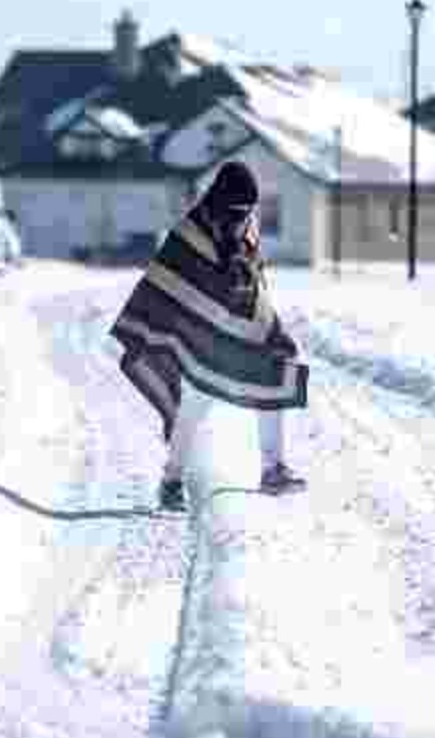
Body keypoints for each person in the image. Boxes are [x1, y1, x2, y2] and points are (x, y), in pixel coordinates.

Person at [110, 161, 308, 511]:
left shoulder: (248, 225)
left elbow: (253, 273)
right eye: (237, 208)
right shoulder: (190, 232)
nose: (243, 214)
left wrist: (262, 313)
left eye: (249, 208)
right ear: (220, 199)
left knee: (274, 378)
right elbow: (167, 283)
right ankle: (171, 481)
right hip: (203, 335)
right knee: (194, 408)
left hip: (249, 327)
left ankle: (273, 469)